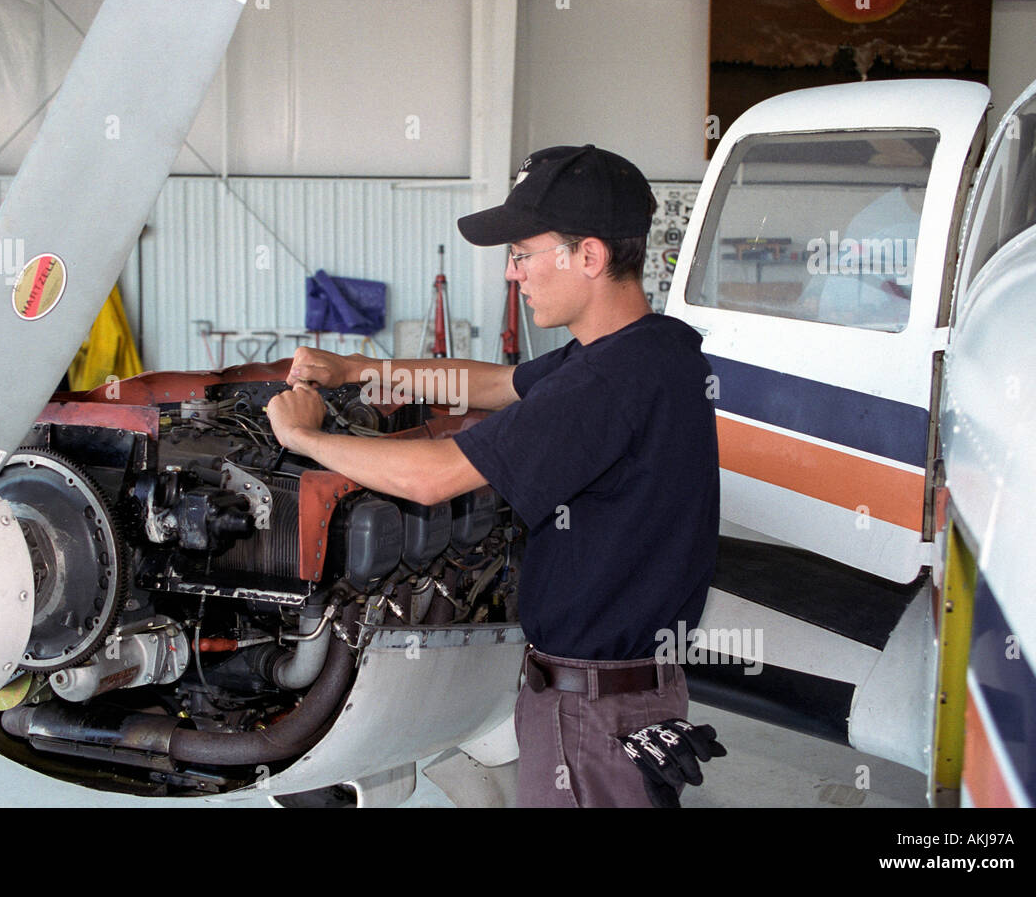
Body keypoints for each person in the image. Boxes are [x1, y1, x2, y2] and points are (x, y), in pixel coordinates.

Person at [266, 144, 719, 807]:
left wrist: (305, 436)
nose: (514, 272)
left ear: (587, 257)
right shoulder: (652, 351)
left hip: (591, 717)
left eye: (525, 252)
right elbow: (498, 381)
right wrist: (359, 369)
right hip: (625, 697)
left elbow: (434, 478)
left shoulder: (606, 382)